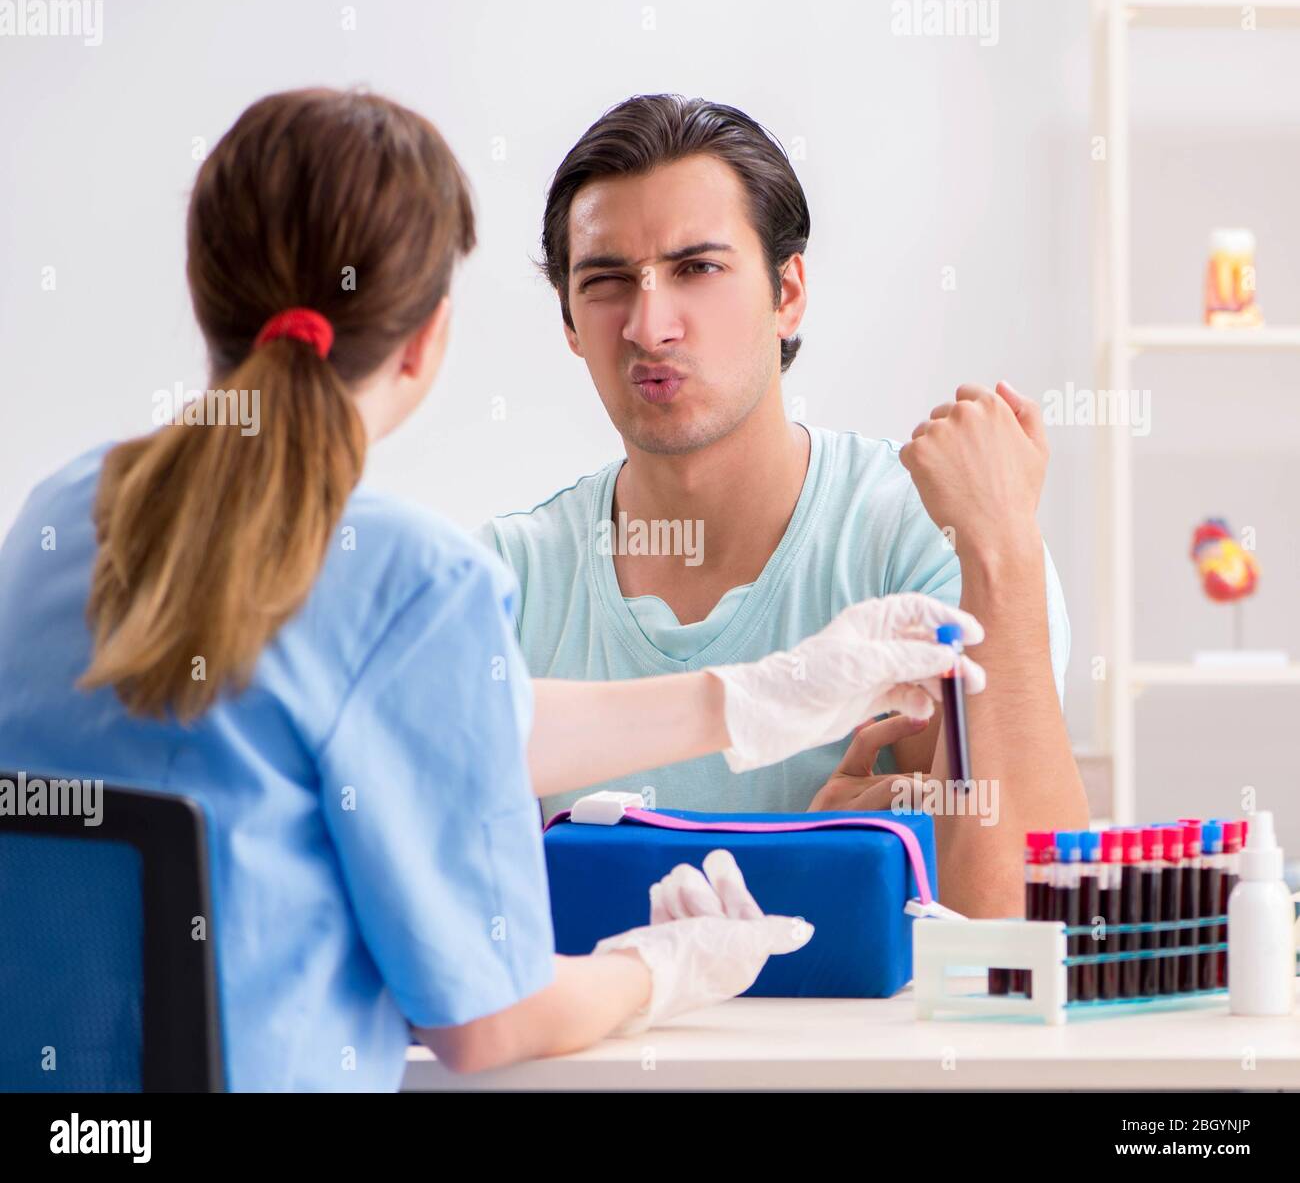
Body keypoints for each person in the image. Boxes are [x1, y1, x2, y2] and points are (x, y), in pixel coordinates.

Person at [0, 89, 984, 1091]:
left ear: (205, 295)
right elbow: (488, 1020)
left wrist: (755, 695)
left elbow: (438, 724)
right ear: (427, 340)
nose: (653, 321)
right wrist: (655, 970)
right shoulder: (412, 576)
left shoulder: (54, 525)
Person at [479, 94, 1089, 917]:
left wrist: (1005, 547)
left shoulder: (920, 538)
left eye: (699, 268)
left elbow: (1024, 926)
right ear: (570, 324)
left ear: (788, 292)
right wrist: (812, 865)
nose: (650, 325)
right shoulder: (506, 582)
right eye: (608, 281)